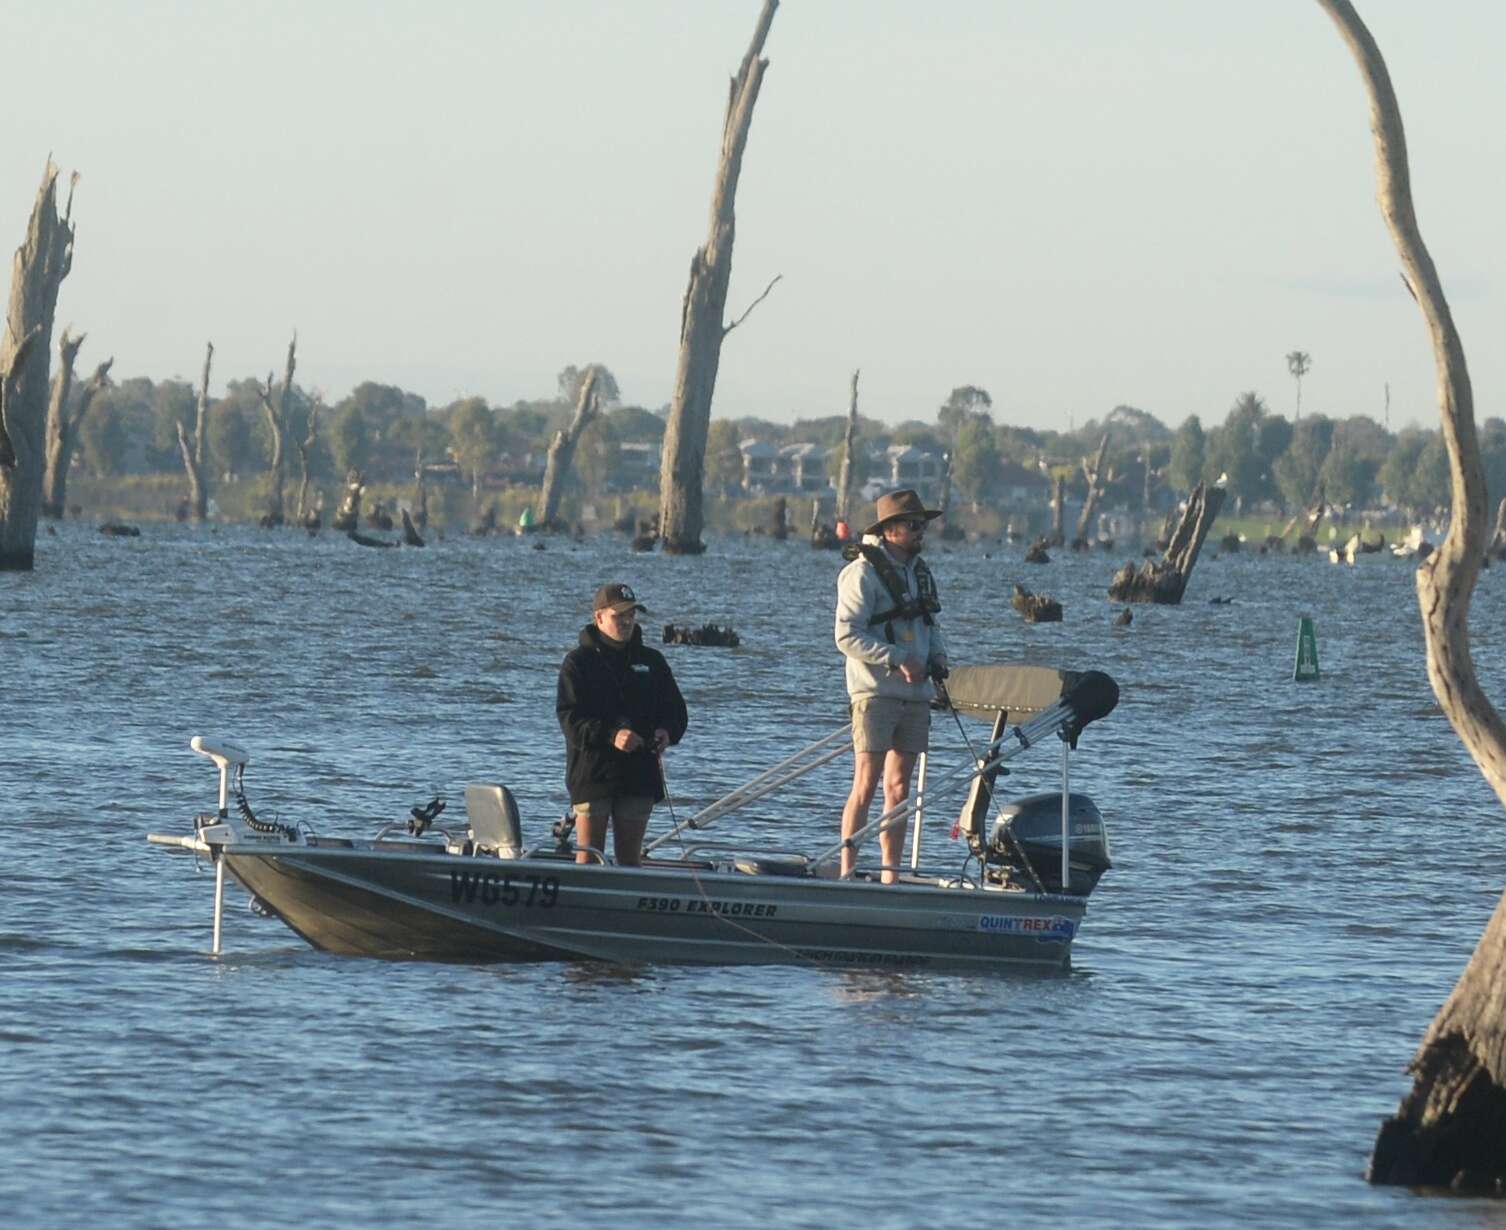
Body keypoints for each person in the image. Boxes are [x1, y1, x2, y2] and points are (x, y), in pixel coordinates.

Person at [834, 489, 948, 883]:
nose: (921, 532)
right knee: (866, 782)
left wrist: (938, 660)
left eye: (923, 525)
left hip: (915, 697)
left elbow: (931, 626)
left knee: (900, 788)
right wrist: (898, 659)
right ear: (891, 529)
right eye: (914, 525)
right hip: (875, 693)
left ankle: (890, 876)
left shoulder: (921, 573)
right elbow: (845, 636)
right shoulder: (861, 573)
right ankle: (848, 871)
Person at [556, 581, 688, 866]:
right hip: (594, 774)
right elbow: (570, 718)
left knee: (629, 859)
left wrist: (667, 731)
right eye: (619, 616)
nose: (627, 621)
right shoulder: (578, 662)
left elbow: (677, 712)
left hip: (639, 775)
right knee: (589, 856)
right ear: (599, 617)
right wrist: (611, 735)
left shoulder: (652, 661)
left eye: (631, 615)